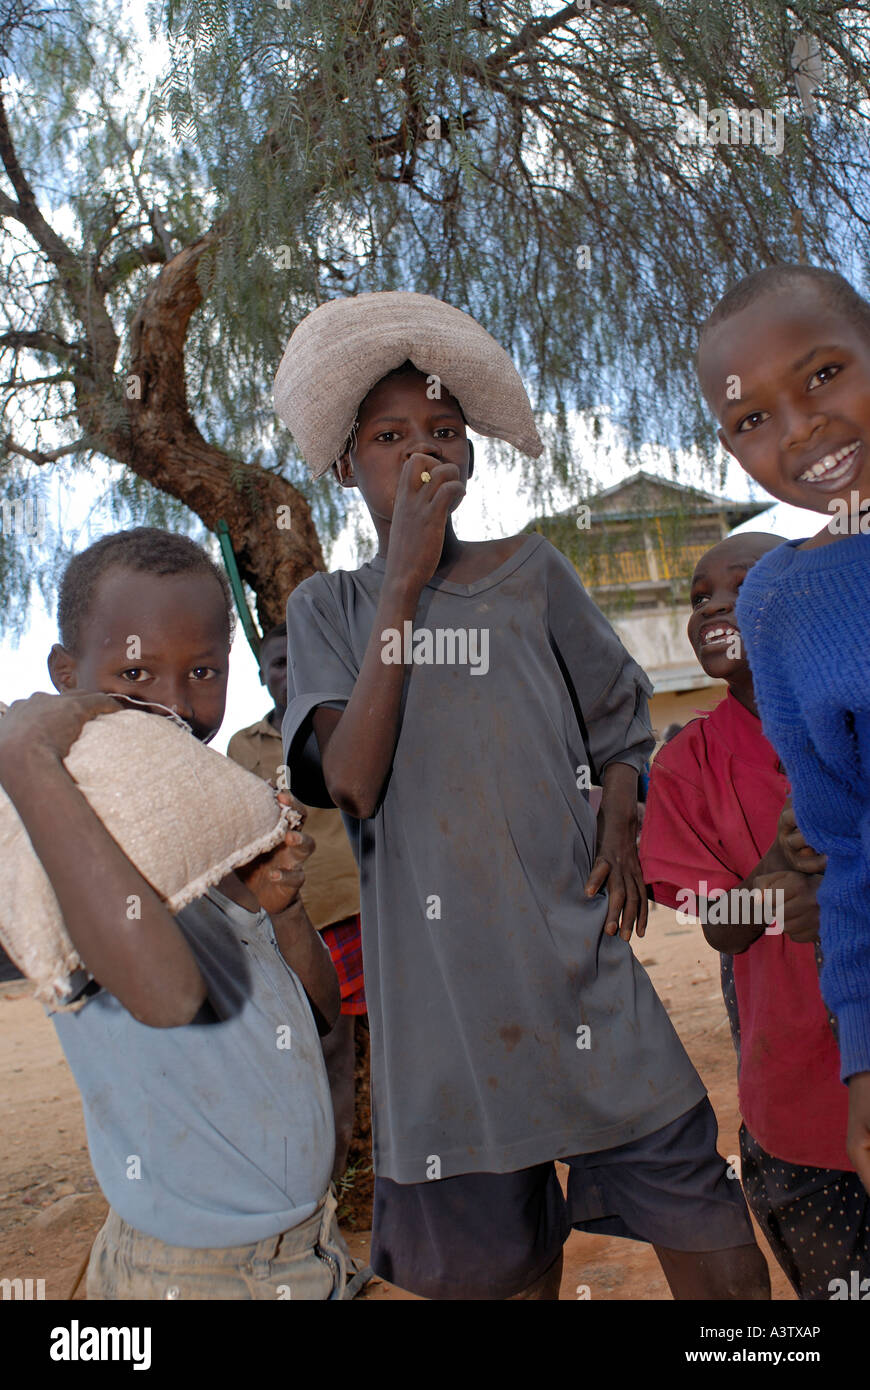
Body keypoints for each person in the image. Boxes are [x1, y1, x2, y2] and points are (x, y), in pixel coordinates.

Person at [274, 290, 770, 1301]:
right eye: (388, 435)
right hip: (445, 1033)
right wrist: (404, 582)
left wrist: (621, 820)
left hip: (581, 975)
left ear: (473, 451)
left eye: (445, 430)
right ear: (343, 465)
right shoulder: (331, 607)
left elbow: (618, 715)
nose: (423, 453)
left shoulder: (532, 573)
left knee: (714, 1236)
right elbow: (354, 776)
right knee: (500, 1277)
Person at [0, 527, 350, 1300]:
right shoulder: (59, 836)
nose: (174, 704)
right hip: (201, 1275)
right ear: (66, 675)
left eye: (203, 671)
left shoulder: (207, 827)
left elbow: (320, 1018)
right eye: (133, 671)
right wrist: (24, 756)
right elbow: (168, 995)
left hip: (298, 1248)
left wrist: (281, 912)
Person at [640, 531, 869, 1298]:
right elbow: (722, 924)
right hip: (799, 1108)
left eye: (742, 584)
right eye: (700, 596)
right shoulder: (686, 763)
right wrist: (779, 868)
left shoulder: (856, 709)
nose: (714, 607)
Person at [696, 264, 870, 1193]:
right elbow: (848, 855)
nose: (801, 429)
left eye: (824, 376)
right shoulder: (786, 605)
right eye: (752, 419)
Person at [228, 621, 365, 1181]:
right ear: (263, 678)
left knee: (413, 1044)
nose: (288, 675)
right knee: (326, 1057)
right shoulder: (245, 747)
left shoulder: (354, 729)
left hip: (370, 912)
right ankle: (323, 1199)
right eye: (276, 666)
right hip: (300, 924)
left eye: (297, 662)